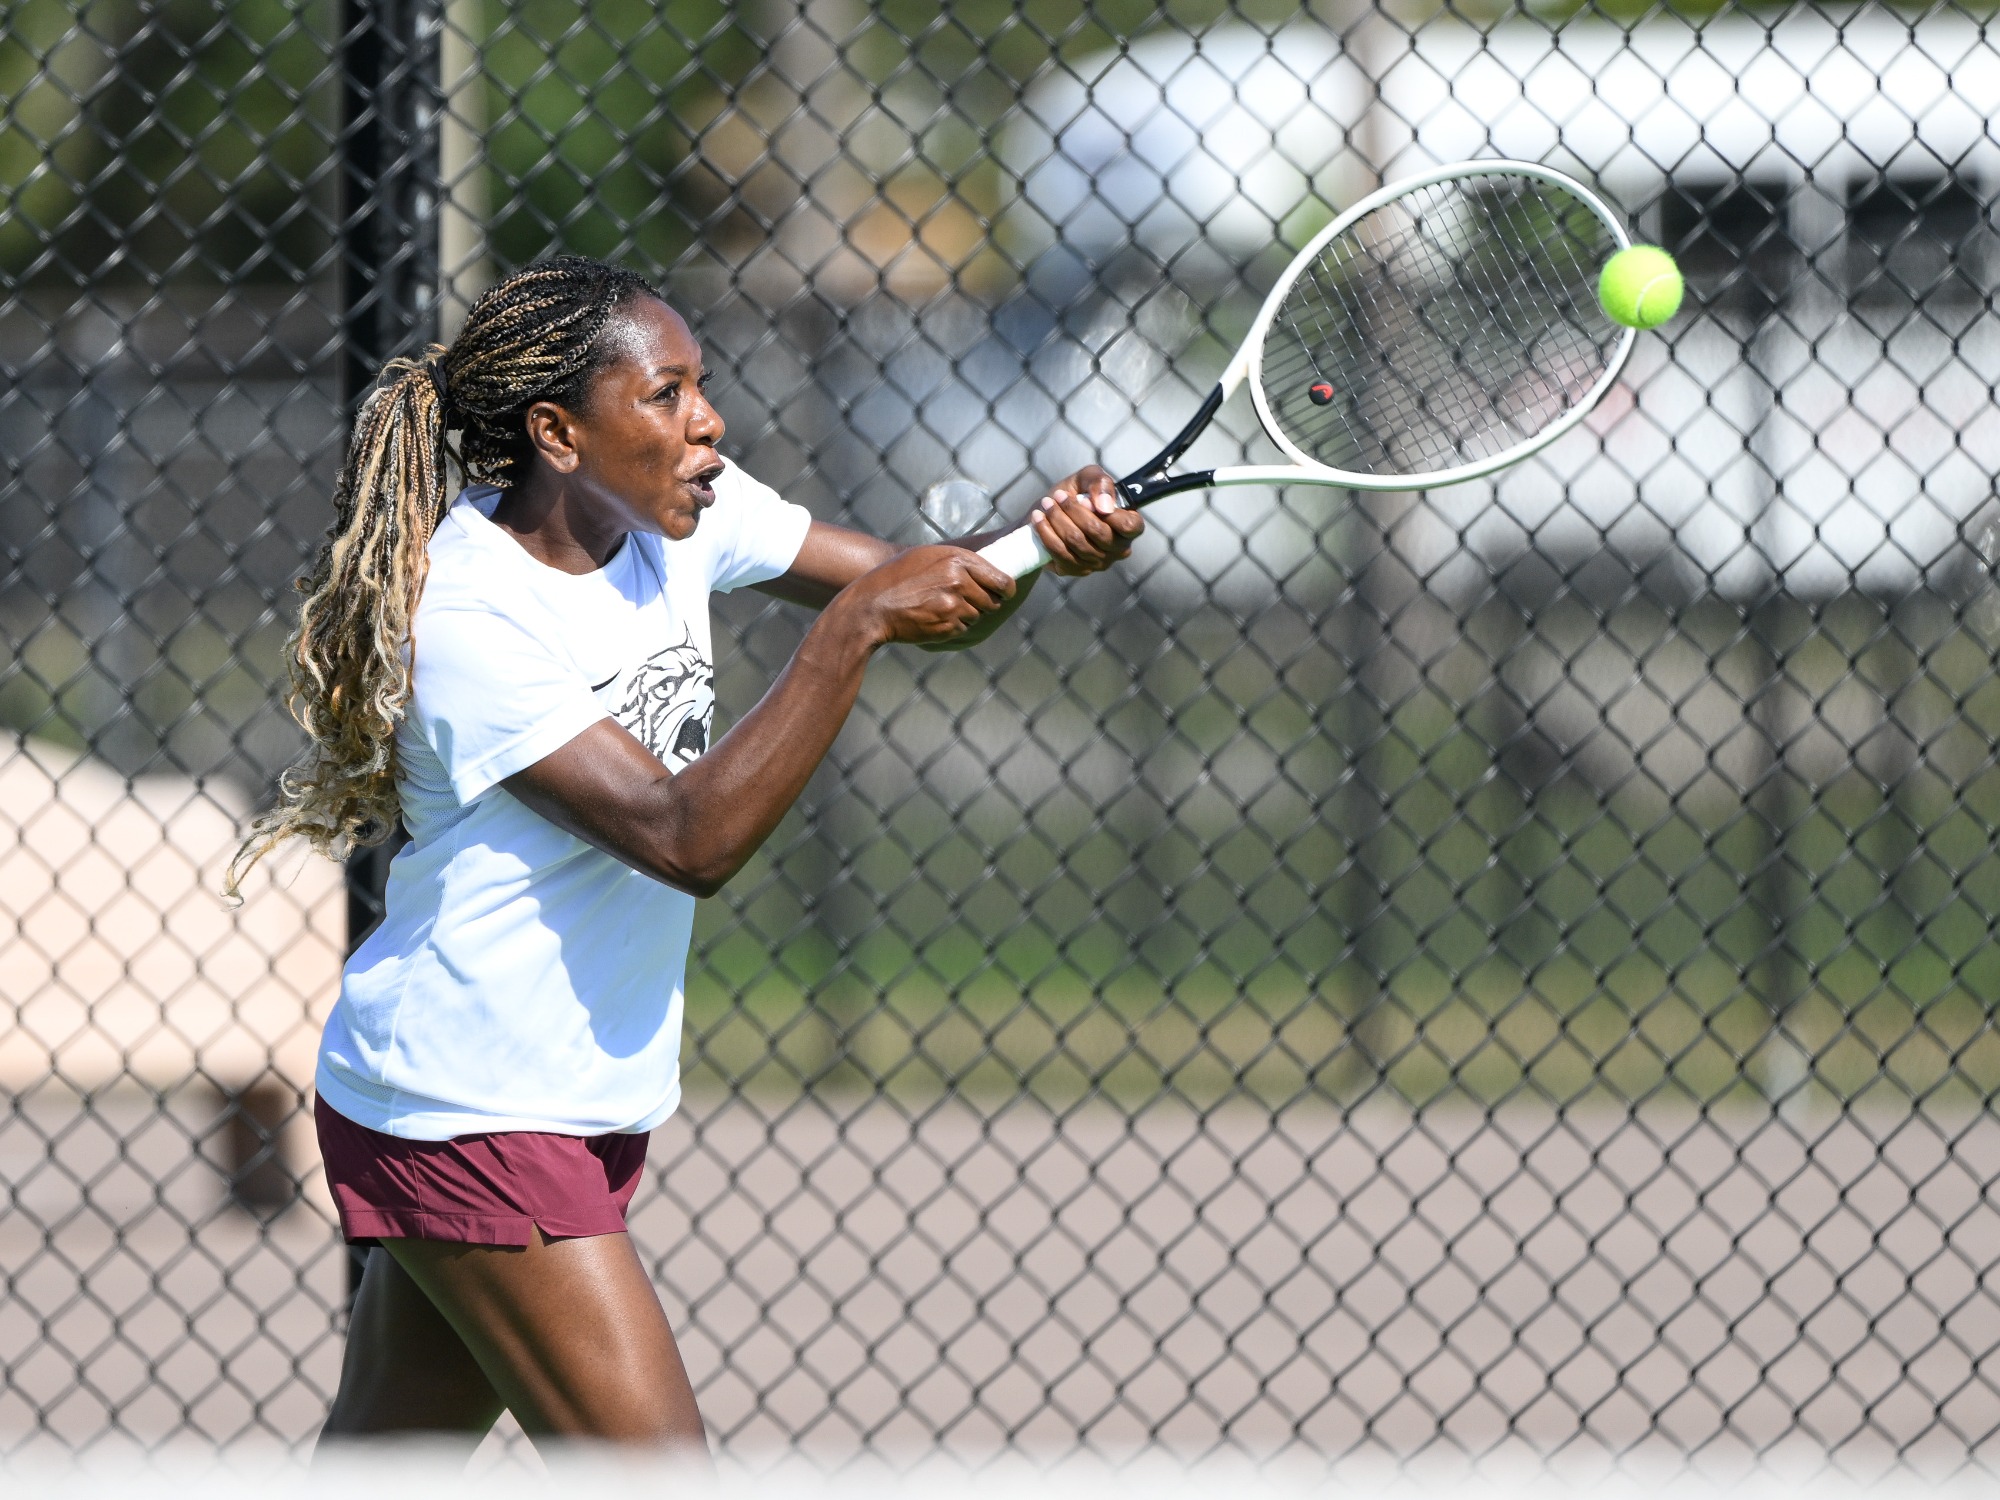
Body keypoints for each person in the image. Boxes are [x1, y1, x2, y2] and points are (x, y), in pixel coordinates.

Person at [227, 255, 1141, 1460]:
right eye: (665, 394)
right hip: (477, 1105)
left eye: (700, 385)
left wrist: (1039, 544)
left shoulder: (681, 516)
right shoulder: (469, 615)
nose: (705, 420)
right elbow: (685, 838)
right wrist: (848, 634)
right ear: (557, 430)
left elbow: (930, 591)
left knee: (382, 1464)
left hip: (559, 1096)